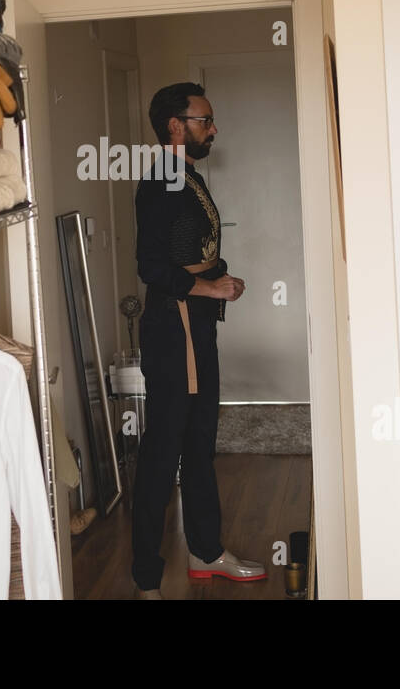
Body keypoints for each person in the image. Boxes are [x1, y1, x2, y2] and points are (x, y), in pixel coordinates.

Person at [130, 82, 267, 599]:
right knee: (165, 452)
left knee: (199, 442)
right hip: (174, 329)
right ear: (175, 126)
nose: (213, 128)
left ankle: (206, 552)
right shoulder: (162, 181)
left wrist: (219, 279)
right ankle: (146, 580)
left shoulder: (184, 175)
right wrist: (210, 285)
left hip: (198, 320)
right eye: (204, 120)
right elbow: (151, 265)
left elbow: (197, 247)